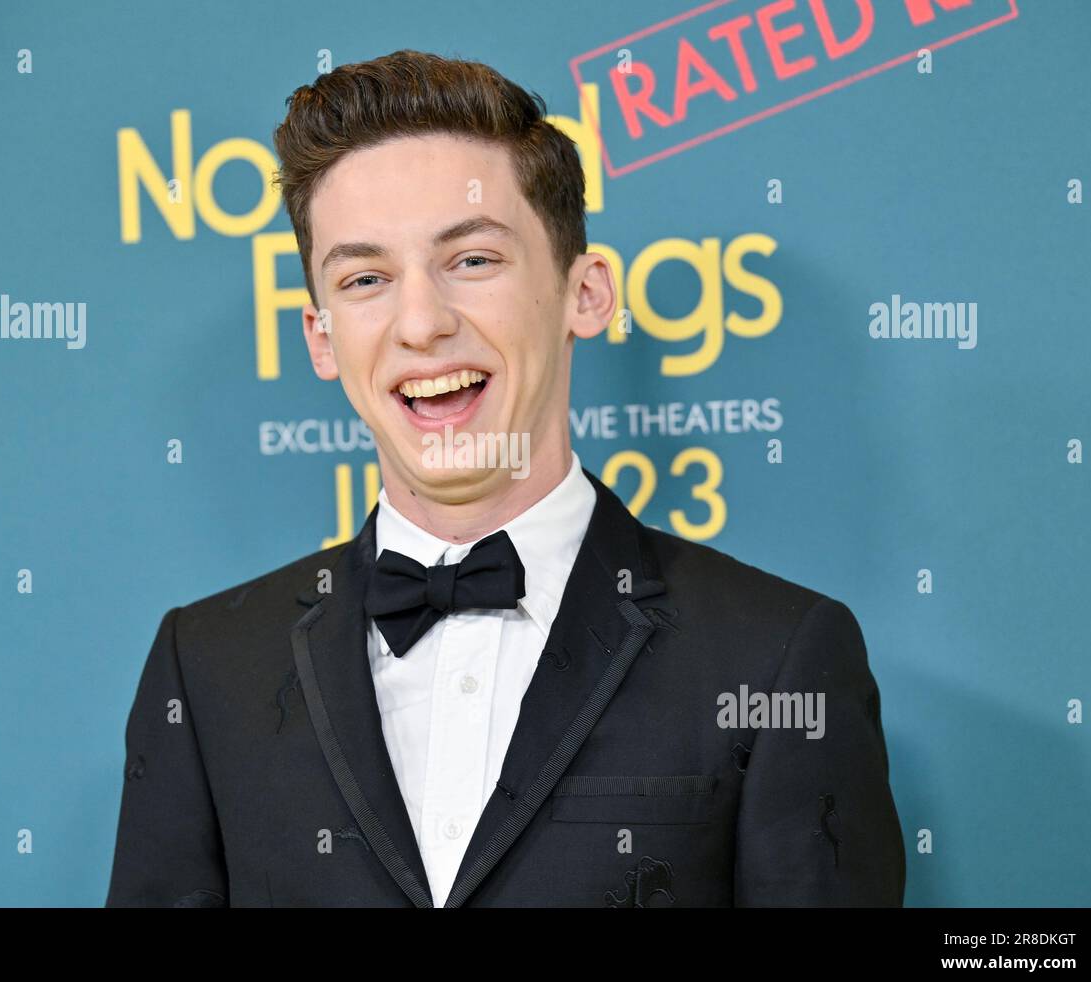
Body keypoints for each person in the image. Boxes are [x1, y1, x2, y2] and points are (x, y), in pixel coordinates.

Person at [105, 49, 905, 908]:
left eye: (473, 260)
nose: (421, 323)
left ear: (584, 293)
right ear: (321, 337)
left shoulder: (777, 656)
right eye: (366, 278)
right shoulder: (206, 668)